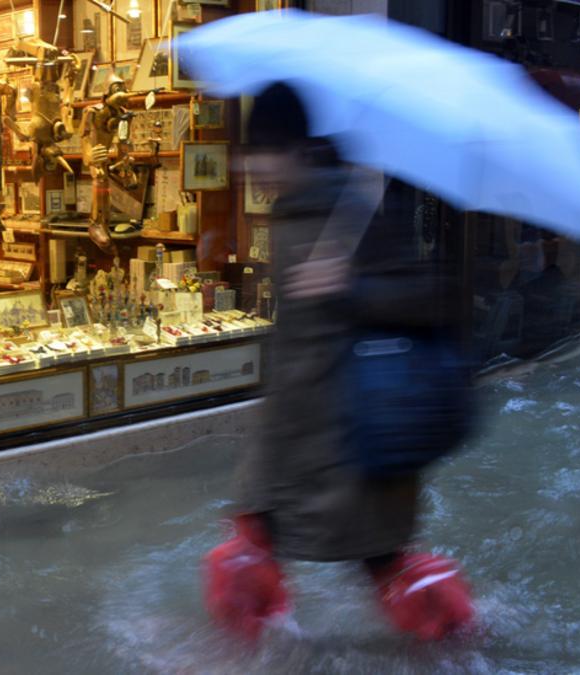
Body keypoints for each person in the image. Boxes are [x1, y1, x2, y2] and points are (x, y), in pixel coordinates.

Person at [203, 83, 474, 642]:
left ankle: (463, 644)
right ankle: (254, 653)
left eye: (265, 152)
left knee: (381, 562)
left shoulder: (352, 211)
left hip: (353, 439)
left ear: (302, 152)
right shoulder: (291, 216)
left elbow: (437, 301)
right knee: (253, 554)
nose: (252, 167)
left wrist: (353, 285)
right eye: (249, 153)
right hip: (297, 433)